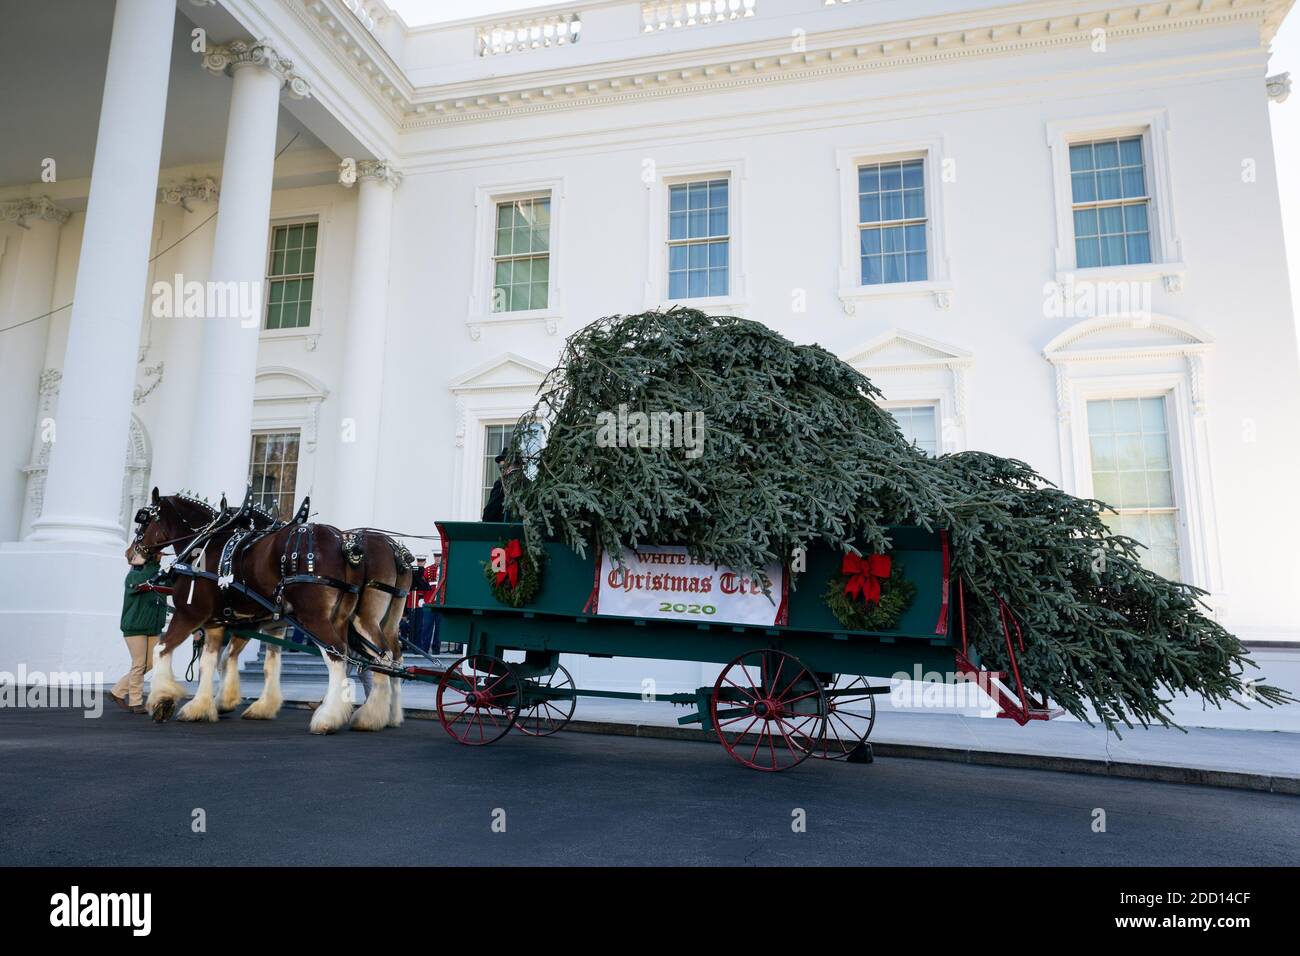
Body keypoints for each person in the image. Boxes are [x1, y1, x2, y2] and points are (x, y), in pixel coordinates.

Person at [110, 546, 168, 713]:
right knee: (138, 664)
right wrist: (152, 563)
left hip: (153, 627)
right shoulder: (134, 576)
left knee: (148, 664)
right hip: (135, 627)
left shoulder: (157, 575)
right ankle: (135, 702)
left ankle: (118, 691)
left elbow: (169, 585)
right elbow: (145, 580)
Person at [481, 449, 520, 522]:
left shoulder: (502, 484)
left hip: (504, 530)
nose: (502, 470)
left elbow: (489, 513)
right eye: (500, 468)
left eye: (503, 467)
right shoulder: (530, 484)